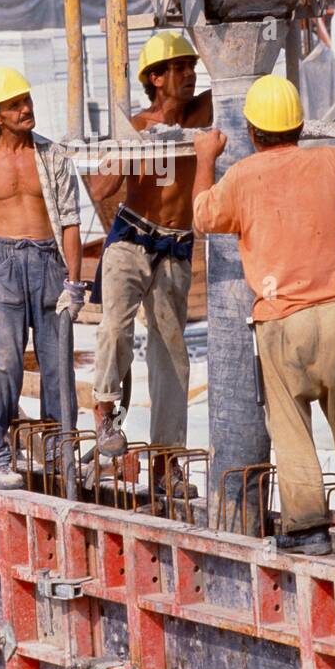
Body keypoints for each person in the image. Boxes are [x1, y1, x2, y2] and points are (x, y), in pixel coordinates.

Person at [191, 74, 335, 555]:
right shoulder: (332, 161)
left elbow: (201, 215)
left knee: (290, 425)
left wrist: (204, 159)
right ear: (301, 126)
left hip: (282, 320)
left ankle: (307, 528)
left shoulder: (240, 178)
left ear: (253, 132)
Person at [87, 31, 212, 483]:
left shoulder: (204, 113)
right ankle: (104, 414)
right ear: (155, 78)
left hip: (175, 248)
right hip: (131, 238)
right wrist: (127, 149)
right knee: (115, 327)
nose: (189, 76)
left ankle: (166, 462)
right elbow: (99, 188)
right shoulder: (138, 126)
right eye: (178, 69)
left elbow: (237, 79)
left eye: (191, 67)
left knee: (172, 356)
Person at [0, 67, 84, 489]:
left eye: (26, 100)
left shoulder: (53, 156)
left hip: (49, 262)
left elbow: (69, 221)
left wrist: (74, 283)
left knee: (57, 366)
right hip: (4, 263)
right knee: (1, 364)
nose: (26, 109)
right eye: (15, 105)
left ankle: (59, 454)